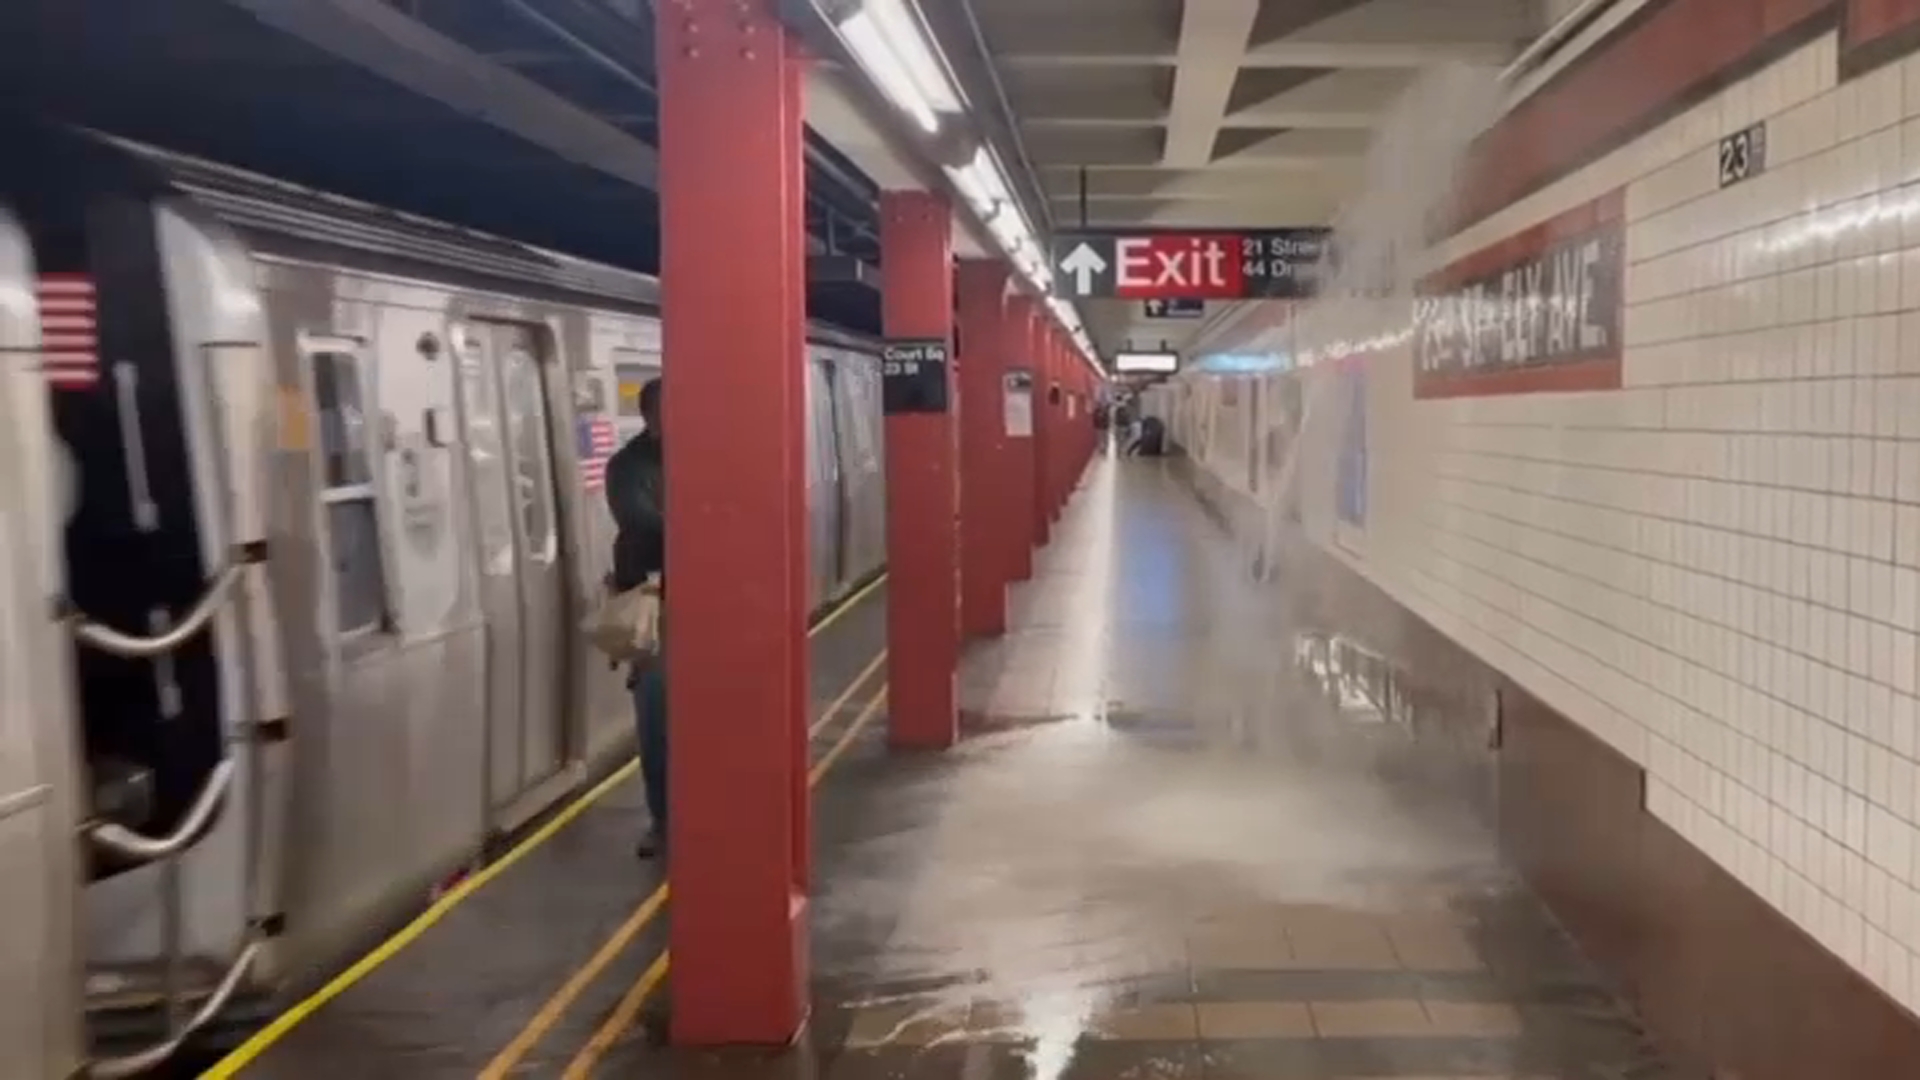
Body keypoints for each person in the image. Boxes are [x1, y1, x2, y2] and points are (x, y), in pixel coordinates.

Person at [605, 377, 667, 859]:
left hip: (711, 599)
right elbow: (641, 522)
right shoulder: (627, 467)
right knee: (656, 712)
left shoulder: (707, 455)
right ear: (649, 417)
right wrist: (708, 523)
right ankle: (664, 820)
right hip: (652, 603)